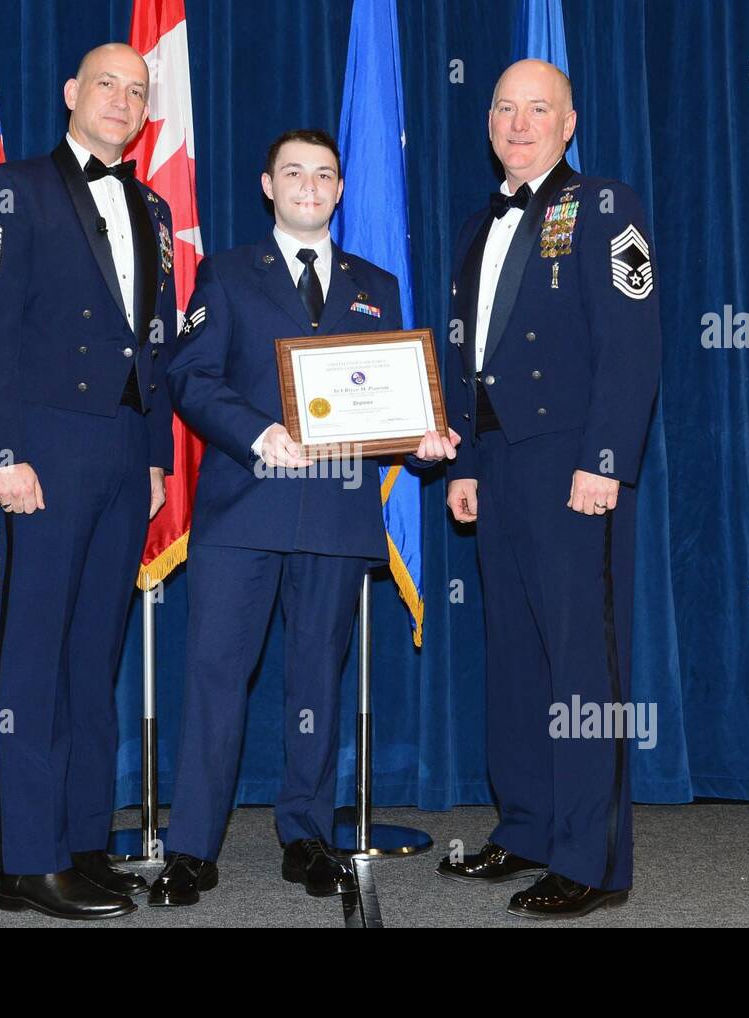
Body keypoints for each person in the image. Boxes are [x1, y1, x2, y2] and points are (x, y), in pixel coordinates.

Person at [150, 129, 459, 907]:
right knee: (216, 678)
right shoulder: (223, 274)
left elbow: (393, 404)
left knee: (316, 679)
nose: (309, 185)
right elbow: (189, 378)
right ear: (268, 184)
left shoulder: (376, 285)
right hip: (242, 512)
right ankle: (191, 849)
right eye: (294, 172)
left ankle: (307, 835)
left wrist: (425, 443)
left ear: (341, 189)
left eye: (324, 174)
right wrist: (258, 432)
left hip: (335, 516)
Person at [0, 43, 176, 920]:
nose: (122, 99)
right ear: (71, 92)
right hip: (42, 452)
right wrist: (0, 454)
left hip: (124, 456)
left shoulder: (153, 207)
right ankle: (27, 859)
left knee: (95, 659)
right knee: (35, 655)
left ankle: (84, 841)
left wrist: (155, 455)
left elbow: (153, 342)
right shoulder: (8, 191)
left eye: (137, 90)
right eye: (107, 85)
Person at [438, 59, 662, 918]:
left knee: (581, 667)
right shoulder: (474, 225)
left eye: (539, 109)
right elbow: (468, 362)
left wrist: (605, 461)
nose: (519, 122)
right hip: (498, 466)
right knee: (516, 656)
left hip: (574, 464)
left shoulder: (606, 207)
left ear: (569, 125)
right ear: (488, 120)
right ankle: (527, 827)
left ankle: (592, 861)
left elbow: (632, 347)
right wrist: (464, 464)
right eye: (504, 107)